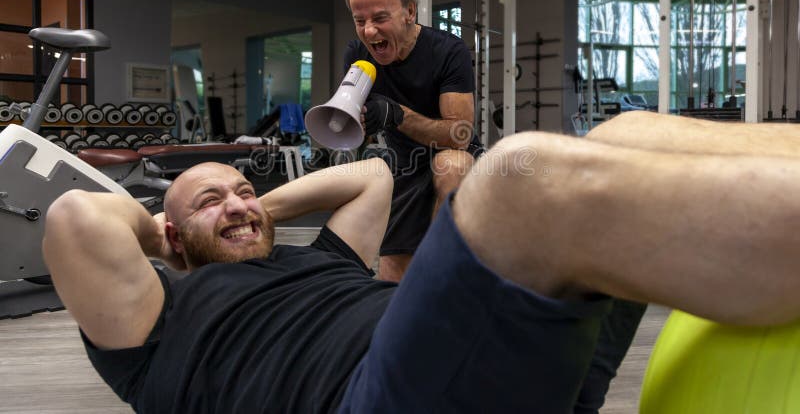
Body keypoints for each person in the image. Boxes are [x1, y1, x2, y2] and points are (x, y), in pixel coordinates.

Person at [44, 112, 800, 413]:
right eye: (213, 202)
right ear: (170, 239)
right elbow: (77, 216)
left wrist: (251, 209)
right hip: (361, 400)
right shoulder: (156, 325)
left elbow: (370, 174)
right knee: (517, 179)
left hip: (463, 368)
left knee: (624, 131)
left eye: (244, 189)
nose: (239, 204)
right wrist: (168, 231)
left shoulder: (324, 259)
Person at [343, 0, 481, 282]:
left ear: (409, 11)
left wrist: (396, 114)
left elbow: (459, 134)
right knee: (391, 281)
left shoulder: (448, 50)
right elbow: (355, 137)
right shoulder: (357, 53)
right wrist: (358, 125)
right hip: (403, 163)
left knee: (451, 166)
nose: (369, 31)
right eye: (359, 21)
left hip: (450, 153)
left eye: (379, 18)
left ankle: (446, 270)